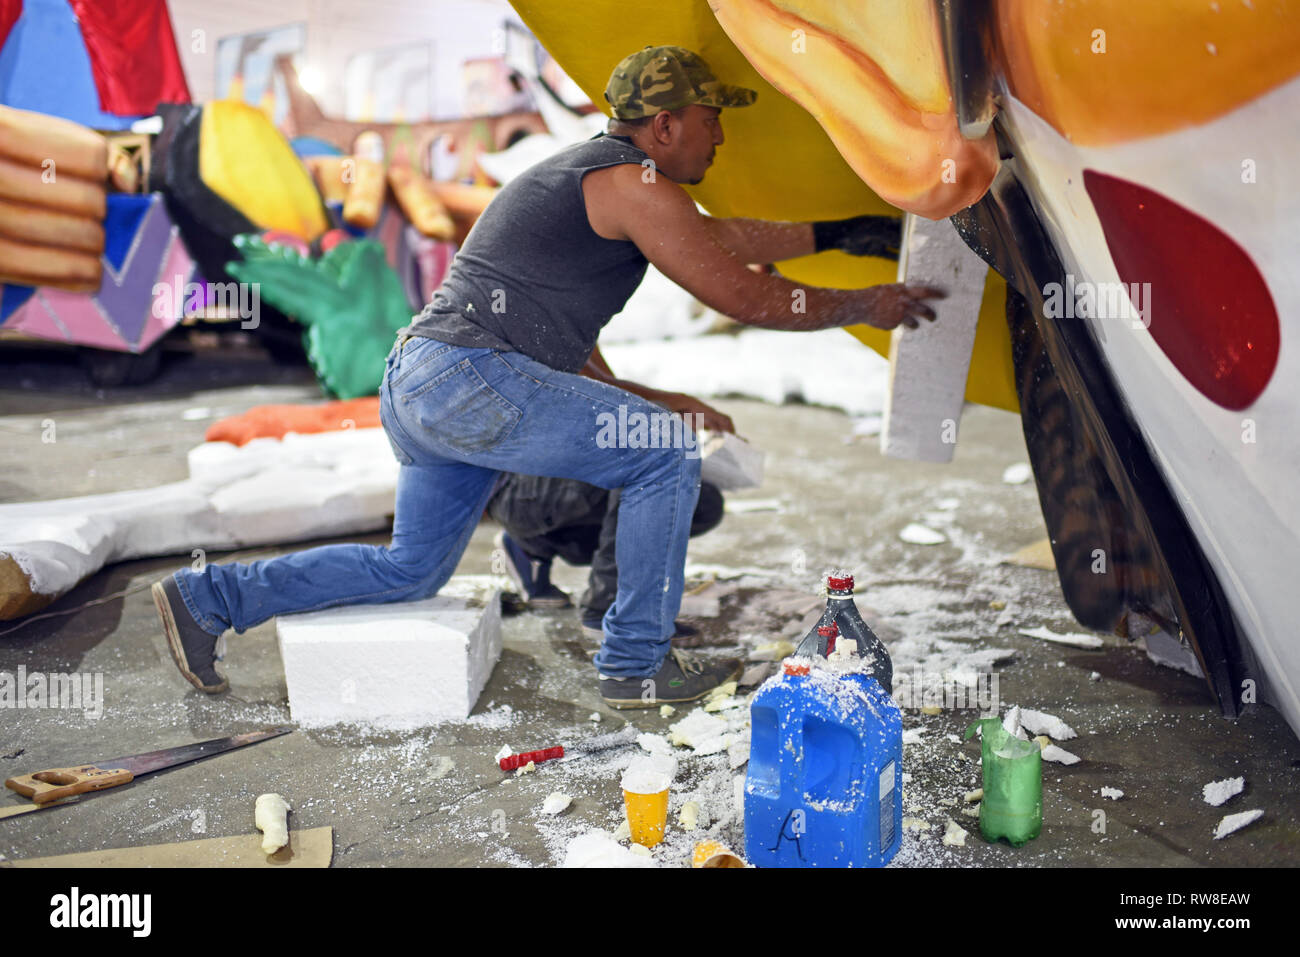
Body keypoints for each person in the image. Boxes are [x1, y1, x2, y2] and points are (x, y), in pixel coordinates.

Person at [152, 45, 940, 709]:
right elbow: (738, 288)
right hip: (467, 376)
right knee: (664, 454)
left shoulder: (604, 183)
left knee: (410, 568)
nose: (720, 138)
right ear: (663, 125)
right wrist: (867, 302)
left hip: (426, 382)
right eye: (711, 120)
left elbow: (721, 239)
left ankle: (208, 597)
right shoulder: (630, 181)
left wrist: (842, 231)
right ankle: (635, 663)